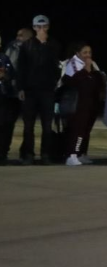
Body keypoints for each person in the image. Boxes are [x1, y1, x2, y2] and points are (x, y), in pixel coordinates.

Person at [15, 15, 61, 164]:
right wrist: (20, 88)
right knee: (28, 126)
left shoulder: (53, 45)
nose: (41, 29)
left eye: (44, 26)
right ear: (34, 28)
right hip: (30, 91)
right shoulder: (26, 45)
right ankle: (28, 154)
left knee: (47, 125)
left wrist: (44, 45)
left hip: (47, 91)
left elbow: (56, 66)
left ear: (48, 27)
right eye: (38, 27)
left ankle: (46, 154)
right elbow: (21, 68)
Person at [61, 44, 104, 166]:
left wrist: (90, 71)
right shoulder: (73, 64)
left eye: (89, 52)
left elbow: (97, 80)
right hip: (78, 104)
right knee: (78, 130)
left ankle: (81, 153)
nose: (88, 55)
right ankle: (72, 154)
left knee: (86, 130)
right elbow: (72, 82)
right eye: (85, 52)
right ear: (78, 53)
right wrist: (86, 71)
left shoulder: (92, 64)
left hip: (91, 103)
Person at [0, 41, 18, 164]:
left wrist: (4, 75)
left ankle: (2, 154)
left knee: (6, 125)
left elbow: (11, 75)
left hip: (4, 96)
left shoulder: (3, 57)